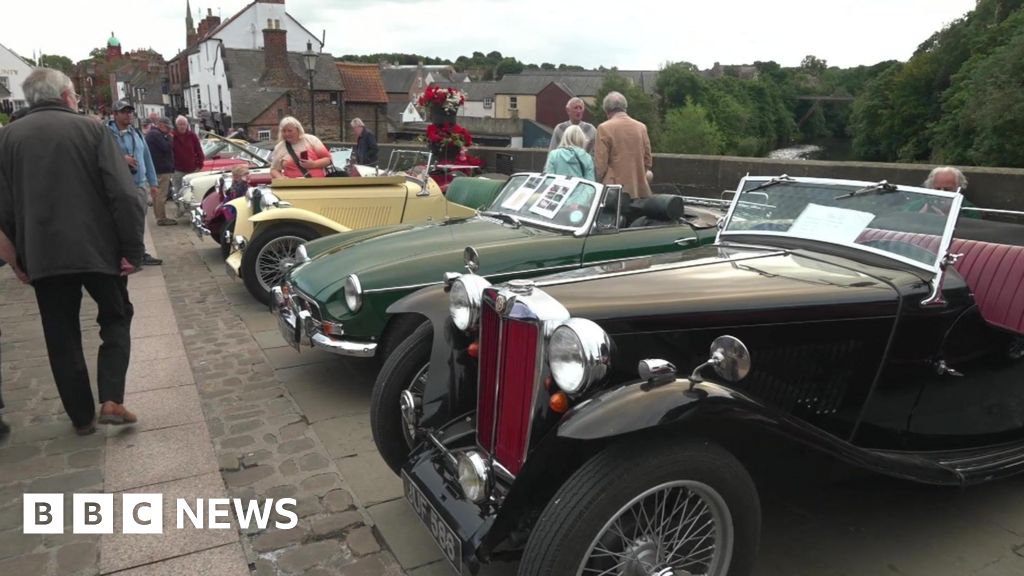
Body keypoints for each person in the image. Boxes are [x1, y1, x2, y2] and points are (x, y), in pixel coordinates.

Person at [0, 68, 145, 435]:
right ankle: (111, 398)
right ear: (66, 95)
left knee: (60, 334)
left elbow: (4, 209)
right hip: (99, 249)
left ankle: (81, 417)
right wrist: (132, 249)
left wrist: (15, 259)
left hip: (43, 254)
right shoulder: (93, 129)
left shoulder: (7, 138)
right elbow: (124, 195)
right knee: (115, 317)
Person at [108, 99, 163, 265]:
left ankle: (139, 254)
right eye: (124, 111)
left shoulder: (137, 133)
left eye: (130, 111)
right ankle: (122, 254)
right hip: (118, 187)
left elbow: (147, 158)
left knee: (139, 222)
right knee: (121, 223)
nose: (128, 114)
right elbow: (99, 156)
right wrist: (120, 158)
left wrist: (153, 183)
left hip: (139, 186)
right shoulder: (106, 134)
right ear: (115, 114)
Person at [595, 91, 653, 199]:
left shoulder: (604, 128)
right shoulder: (641, 127)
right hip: (639, 189)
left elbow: (601, 165)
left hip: (615, 191)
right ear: (625, 107)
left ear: (607, 111)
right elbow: (648, 160)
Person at [145, 117, 177, 225]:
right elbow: (166, 148)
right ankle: (161, 218)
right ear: (162, 125)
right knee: (161, 194)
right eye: (168, 128)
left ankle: (158, 216)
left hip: (156, 168)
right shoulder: (156, 135)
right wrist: (169, 138)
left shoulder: (151, 134)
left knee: (156, 194)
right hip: (161, 169)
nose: (169, 131)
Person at [172, 115, 205, 198]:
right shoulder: (172, 136)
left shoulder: (192, 136)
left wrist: (200, 164)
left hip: (192, 170)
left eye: (184, 124)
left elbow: (199, 151)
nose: (182, 126)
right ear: (177, 125)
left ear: (187, 125)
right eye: (180, 124)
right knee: (179, 192)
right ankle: (180, 209)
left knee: (193, 192)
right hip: (178, 170)